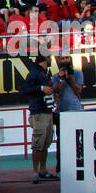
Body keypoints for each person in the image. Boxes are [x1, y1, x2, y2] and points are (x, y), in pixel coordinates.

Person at [23, 54, 57, 182]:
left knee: (45, 141)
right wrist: (42, 88)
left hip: (46, 110)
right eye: (49, 57)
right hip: (39, 112)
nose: (51, 59)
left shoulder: (42, 72)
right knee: (38, 143)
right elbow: (25, 89)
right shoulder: (35, 72)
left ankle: (42, 170)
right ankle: (36, 172)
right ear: (45, 58)